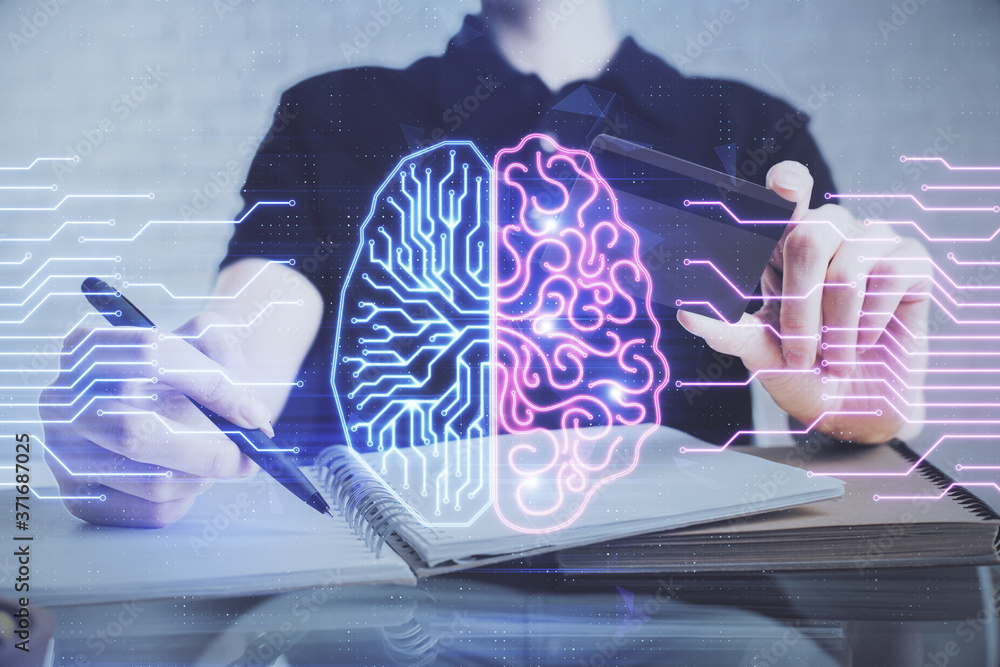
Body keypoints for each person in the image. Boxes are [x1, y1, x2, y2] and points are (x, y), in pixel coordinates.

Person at [40, 0, 930, 527]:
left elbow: (829, 429)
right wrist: (175, 399)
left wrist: (857, 419)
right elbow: (251, 330)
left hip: (706, 624)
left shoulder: (750, 129)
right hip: (383, 627)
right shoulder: (338, 115)